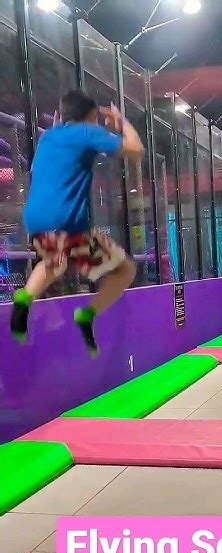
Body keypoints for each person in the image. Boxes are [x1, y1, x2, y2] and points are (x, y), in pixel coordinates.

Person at [10, 90, 144, 357]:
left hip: (35, 220)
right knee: (125, 271)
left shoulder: (48, 137)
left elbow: (48, 168)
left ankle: (24, 300)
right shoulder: (87, 132)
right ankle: (87, 314)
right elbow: (136, 150)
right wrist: (122, 122)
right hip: (67, 221)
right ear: (92, 115)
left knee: (54, 263)